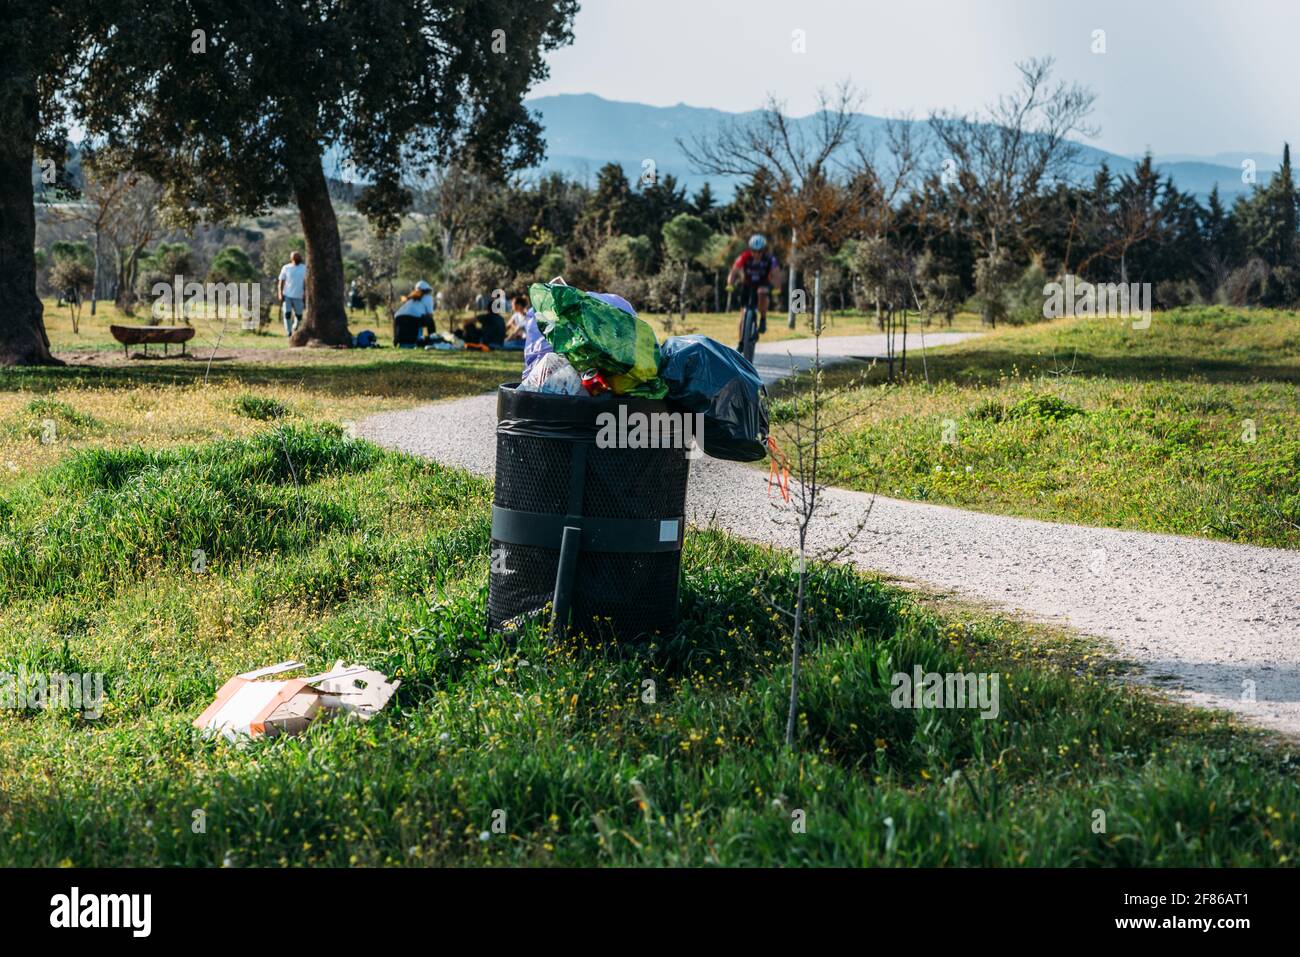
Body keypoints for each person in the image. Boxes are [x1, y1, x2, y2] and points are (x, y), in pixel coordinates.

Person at [726, 233, 782, 351]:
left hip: (762, 283)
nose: (757, 254)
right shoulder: (744, 257)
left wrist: (777, 287)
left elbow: (776, 273)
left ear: (763, 250)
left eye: (760, 251)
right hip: (747, 285)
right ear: (750, 250)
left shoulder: (770, 259)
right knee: (743, 314)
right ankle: (741, 342)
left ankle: (763, 318)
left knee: (762, 292)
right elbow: (734, 271)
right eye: (754, 251)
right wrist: (730, 283)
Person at [393, 280, 436, 347]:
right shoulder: (428, 297)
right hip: (412, 319)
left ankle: (396, 341)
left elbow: (398, 315)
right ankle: (432, 340)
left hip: (398, 319)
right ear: (427, 290)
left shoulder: (410, 298)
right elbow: (430, 315)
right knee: (430, 320)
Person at [277, 250, 307, 337]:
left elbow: (306, 282)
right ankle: (289, 332)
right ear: (291, 258)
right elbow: (281, 281)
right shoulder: (286, 268)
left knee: (299, 315)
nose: (297, 258)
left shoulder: (304, 268)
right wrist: (280, 293)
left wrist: (305, 293)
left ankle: (295, 326)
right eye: (295, 257)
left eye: (298, 257)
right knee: (287, 313)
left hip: (299, 295)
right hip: (287, 295)